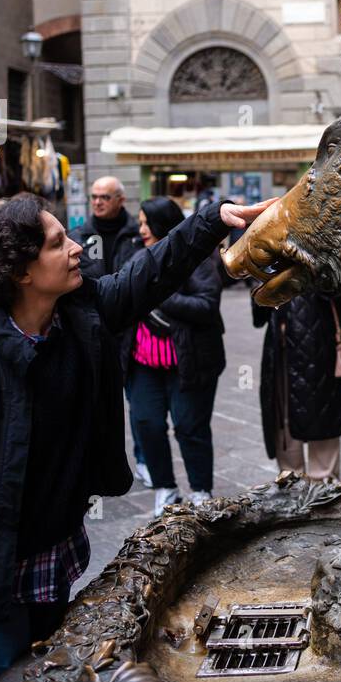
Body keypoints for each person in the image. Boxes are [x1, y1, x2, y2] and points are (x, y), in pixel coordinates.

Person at [0, 192, 271, 682]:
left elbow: (150, 274)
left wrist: (210, 220)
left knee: (58, 670)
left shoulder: (82, 315)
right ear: (22, 272)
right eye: (58, 243)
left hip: (56, 558)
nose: (77, 248)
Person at [123, 197, 225, 515]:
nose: (140, 229)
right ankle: (166, 489)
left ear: (161, 224)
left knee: (190, 428)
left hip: (189, 362)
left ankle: (200, 490)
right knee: (146, 424)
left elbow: (207, 307)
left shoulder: (198, 260)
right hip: (142, 363)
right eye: (139, 222)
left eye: (145, 223)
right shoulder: (136, 258)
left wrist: (160, 296)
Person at [67, 175, 147, 482]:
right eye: (94, 197)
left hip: (134, 330)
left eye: (105, 197)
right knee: (95, 401)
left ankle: (142, 457)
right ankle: (95, 461)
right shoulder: (78, 236)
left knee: (140, 406)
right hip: (95, 331)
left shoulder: (137, 233)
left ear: (120, 200)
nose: (98, 202)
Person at [254, 294, 341, 482]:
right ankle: (295, 483)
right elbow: (259, 313)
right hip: (283, 344)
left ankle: (323, 487)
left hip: (320, 339)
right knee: (285, 418)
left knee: (323, 414)